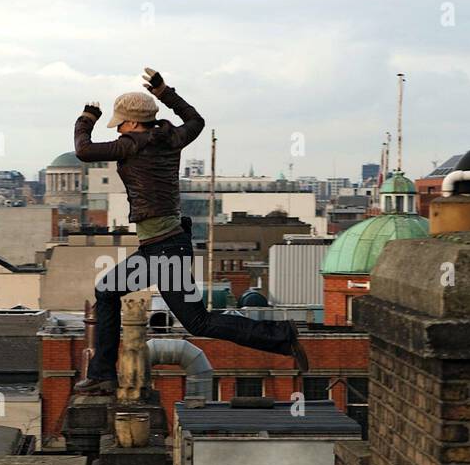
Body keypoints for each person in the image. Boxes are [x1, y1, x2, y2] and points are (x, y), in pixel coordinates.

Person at [71, 67, 309, 395]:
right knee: (109, 292)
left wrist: (87, 118)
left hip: (164, 250)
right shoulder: (173, 138)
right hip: (164, 246)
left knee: (197, 321)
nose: (120, 127)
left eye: (121, 122)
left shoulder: (130, 144)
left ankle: (283, 335)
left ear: (132, 122)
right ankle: (103, 375)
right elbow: (195, 120)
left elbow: (84, 150)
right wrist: (164, 92)